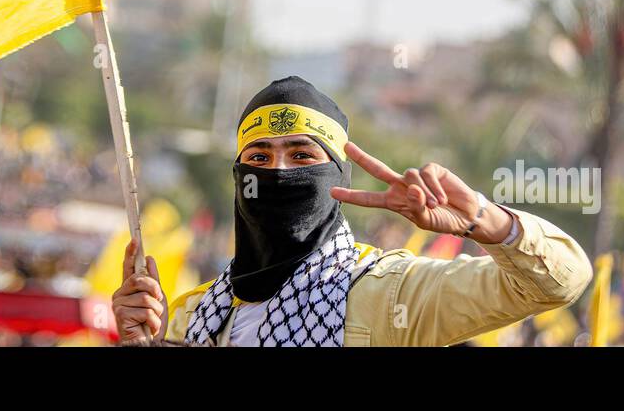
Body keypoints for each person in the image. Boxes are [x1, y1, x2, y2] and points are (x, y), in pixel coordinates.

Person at [112, 76, 593, 346]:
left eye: (302, 156)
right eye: (259, 157)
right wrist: (142, 342)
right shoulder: (195, 312)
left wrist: (482, 220)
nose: (278, 171)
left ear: (337, 177)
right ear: (239, 176)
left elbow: (560, 281)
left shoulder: (392, 293)